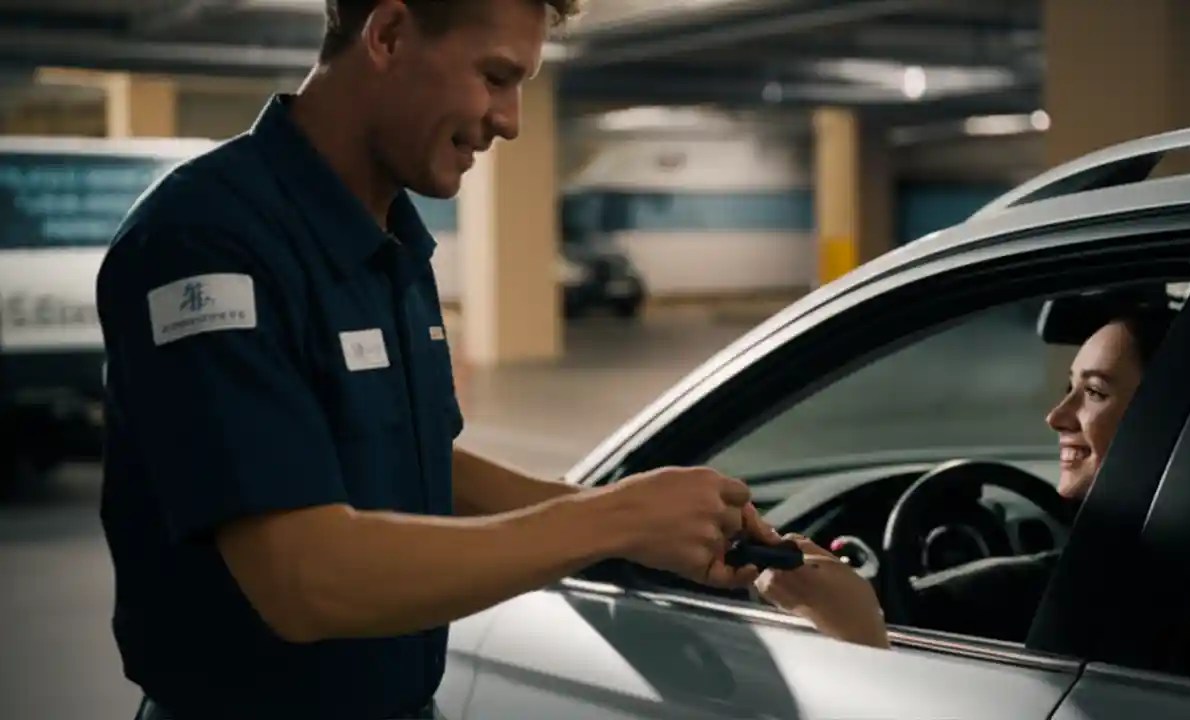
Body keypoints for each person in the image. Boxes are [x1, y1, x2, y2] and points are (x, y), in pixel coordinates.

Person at [96, 2, 777, 719]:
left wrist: (646, 525)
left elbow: (411, 465)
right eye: (495, 76)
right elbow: (304, 580)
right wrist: (615, 520)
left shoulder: (390, 241)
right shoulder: (207, 242)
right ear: (388, 35)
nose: (511, 119)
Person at [754, 305, 1176, 647]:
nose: (1057, 416)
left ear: (1173, 414)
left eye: (1096, 393)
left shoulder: (1148, 594)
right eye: (1069, 387)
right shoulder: (1148, 563)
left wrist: (857, 629)